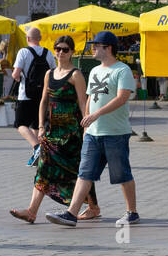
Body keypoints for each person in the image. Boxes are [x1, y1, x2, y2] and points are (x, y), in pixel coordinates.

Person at [47, 32, 139, 227]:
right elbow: (89, 97)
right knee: (84, 173)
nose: (93, 49)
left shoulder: (122, 70)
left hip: (115, 132)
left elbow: (122, 97)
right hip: (93, 133)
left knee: (122, 174)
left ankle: (132, 212)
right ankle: (71, 213)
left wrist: (97, 114)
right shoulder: (95, 70)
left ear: (108, 48)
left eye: (96, 46)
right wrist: (88, 120)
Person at [9, 37, 100, 224]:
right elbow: (44, 101)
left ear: (72, 52)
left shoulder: (76, 75)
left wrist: (86, 129)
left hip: (72, 132)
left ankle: (93, 207)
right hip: (52, 132)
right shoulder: (49, 73)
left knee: (78, 170)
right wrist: (41, 127)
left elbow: (83, 103)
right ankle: (31, 211)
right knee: (44, 168)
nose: (60, 53)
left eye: (65, 50)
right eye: (57, 49)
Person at [11, 27, 51, 164]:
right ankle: (40, 156)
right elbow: (52, 73)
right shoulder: (48, 52)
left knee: (20, 124)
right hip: (42, 95)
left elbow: (16, 74)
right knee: (36, 125)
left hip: (26, 95)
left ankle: (37, 147)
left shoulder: (23, 52)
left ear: (28, 38)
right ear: (40, 38)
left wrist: (17, 78)